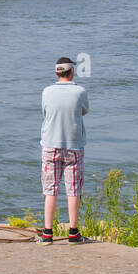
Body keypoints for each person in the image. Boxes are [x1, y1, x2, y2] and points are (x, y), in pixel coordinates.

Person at [39, 56, 89, 244]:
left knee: (50, 189)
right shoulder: (80, 92)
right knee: (73, 189)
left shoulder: (46, 92)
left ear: (56, 73)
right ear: (72, 72)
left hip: (50, 144)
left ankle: (47, 233)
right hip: (74, 145)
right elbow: (84, 111)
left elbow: (44, 112)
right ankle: (73, 232)